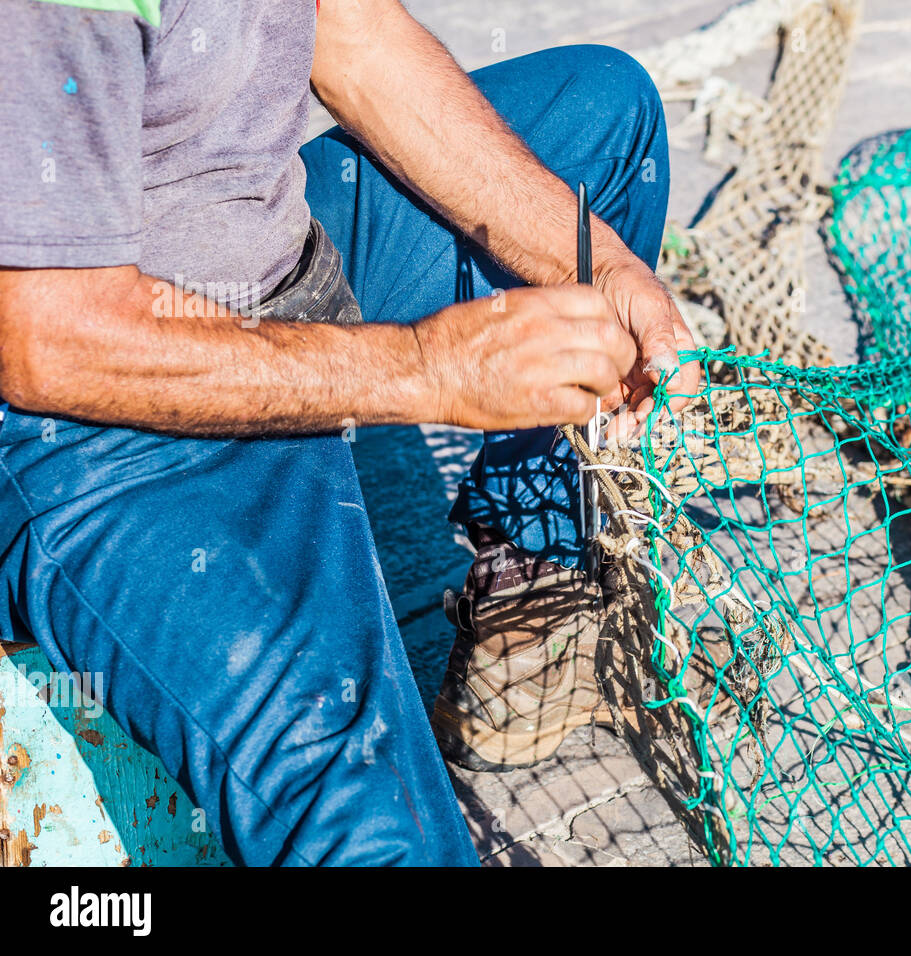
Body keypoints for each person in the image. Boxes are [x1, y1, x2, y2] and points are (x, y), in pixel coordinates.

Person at [0, 0, 698, 866]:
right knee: (379, 832)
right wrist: (428, 372)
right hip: (97, 415)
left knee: (604, 116)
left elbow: (354, 33)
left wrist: (598, 263)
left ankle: (527, 612)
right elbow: (44, 338)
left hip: (276, 260)